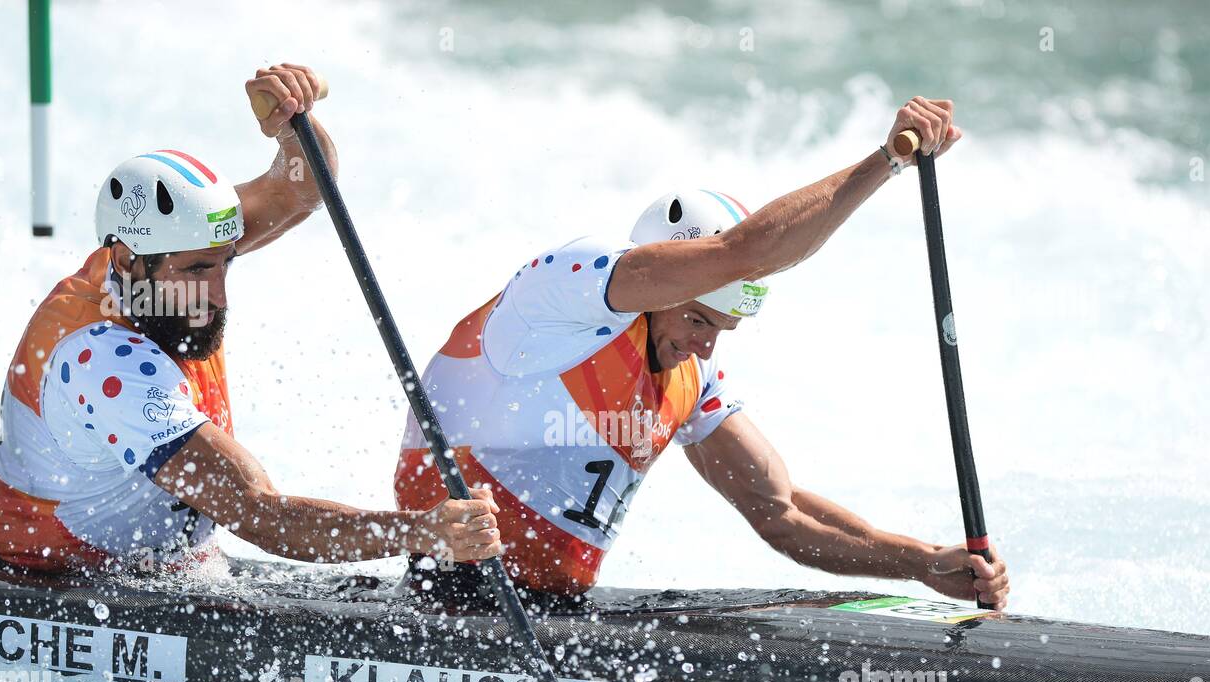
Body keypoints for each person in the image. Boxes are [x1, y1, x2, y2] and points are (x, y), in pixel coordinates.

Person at [395, 96, 1009, 609]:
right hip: (445, 595)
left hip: (555, 614)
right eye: (696, 317)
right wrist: (887, 161)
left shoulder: (690, 370)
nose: (706, 343)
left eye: (723, 327)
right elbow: (746, 252)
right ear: (666, 279)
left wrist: (923, 563)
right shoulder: (561, 298)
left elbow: (782, 512)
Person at [0, 64, 501, 575]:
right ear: (128, 259)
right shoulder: (100, 360)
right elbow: (258, 512)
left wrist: (294, 125)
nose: (218, 293)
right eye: (201, 270)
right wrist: (420, 533)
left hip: (156, 567)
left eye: (226, 261)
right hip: (48, 578)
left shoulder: (166, 259)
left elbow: (299, 189)